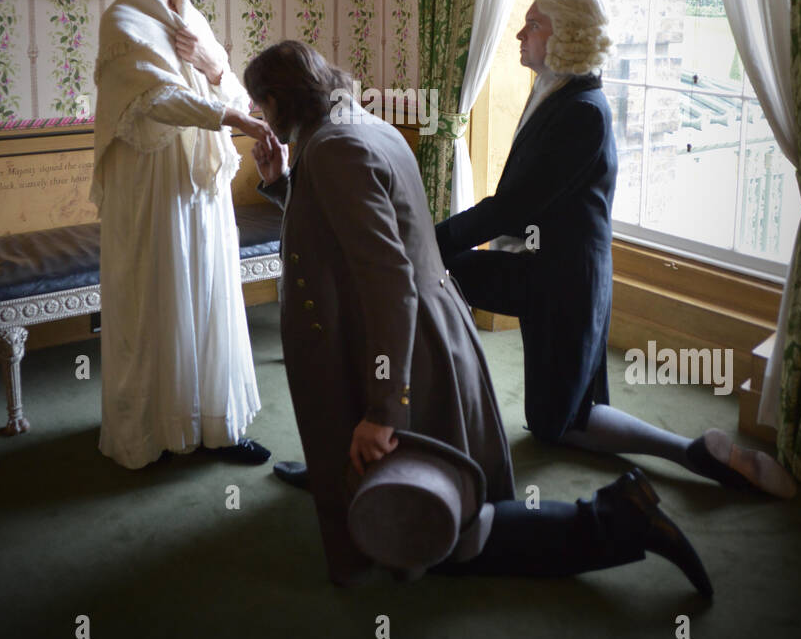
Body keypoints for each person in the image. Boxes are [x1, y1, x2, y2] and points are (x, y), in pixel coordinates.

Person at [245, 40, 714, 597]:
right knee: (416, 486)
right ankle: (342, 479)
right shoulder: (358, 122)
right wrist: (282, 185)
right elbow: (341, 230)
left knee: (447, 527)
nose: (257, 117)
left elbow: (387, 278)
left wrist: (382, 408)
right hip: (417, 328)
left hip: (404, 343)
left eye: (258, 105)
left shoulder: (332, 148)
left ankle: (617, 518)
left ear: (277, 99)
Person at [435, 0, 796, 499]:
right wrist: (437, 246)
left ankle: (696, 451)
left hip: (563, 283)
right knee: (443, 276)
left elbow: (512, 207)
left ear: (566, 37)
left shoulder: (581, 110)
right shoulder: (555, 92)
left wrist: (434, 237)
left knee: (561, 423)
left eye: (533, 24)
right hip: (537, 267)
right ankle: (432, 406)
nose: (520, 32)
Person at [90, 0, 271, 469]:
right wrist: (231, 118)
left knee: (210, 285)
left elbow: (227, 81)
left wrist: (218, 74)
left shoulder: (193, 18)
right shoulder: (122, 21)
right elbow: (158, 100)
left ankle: (217, 426)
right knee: (159, 291)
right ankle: (156, 431)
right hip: (151, 178)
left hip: (200, 178)